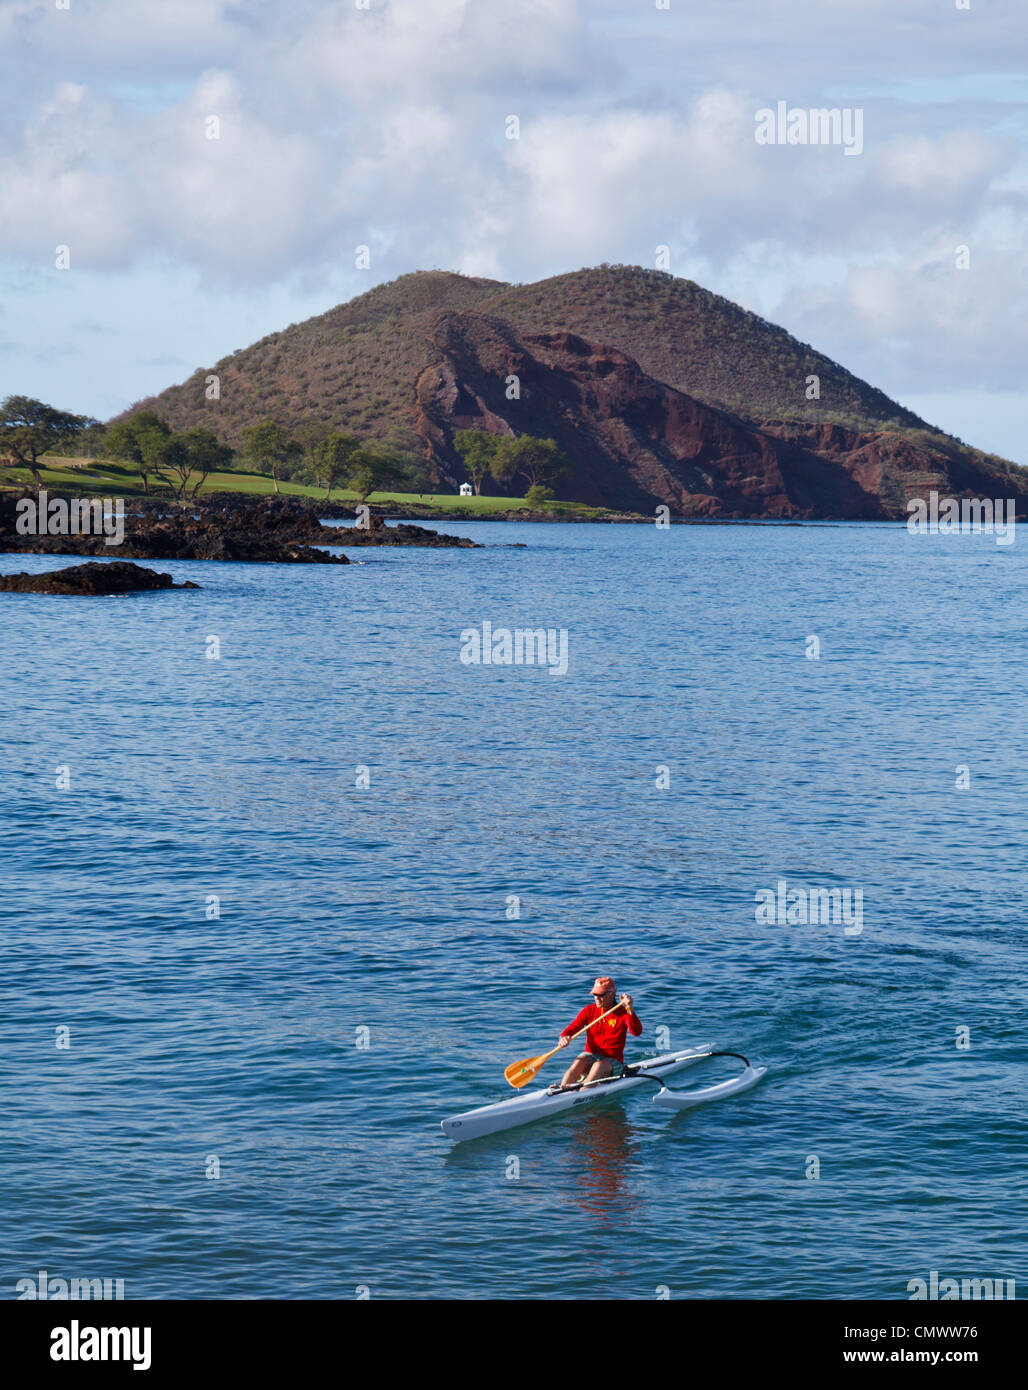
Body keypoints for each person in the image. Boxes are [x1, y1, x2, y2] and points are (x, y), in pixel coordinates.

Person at [554, 977, 641, 1091]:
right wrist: (563, 1037)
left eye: (601, 995)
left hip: (612, 1061)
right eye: (595, 995)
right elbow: (571, 1029)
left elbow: (636, 1032)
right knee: (578, 1062)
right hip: (591, 1056)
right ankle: (562, 1089)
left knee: (598, 1066)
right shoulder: (589, 1010)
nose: (597, 998)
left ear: (612, 994)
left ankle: (582, 1092)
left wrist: (630, 1009)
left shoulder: (623, 1012)